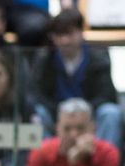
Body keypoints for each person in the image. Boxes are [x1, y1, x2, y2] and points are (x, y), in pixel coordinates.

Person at [35, 8, 122, 149]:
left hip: (90, 117)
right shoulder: (45, 59)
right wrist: (62, 115)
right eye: (59, 35)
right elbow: (38, 95)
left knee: (110, 113)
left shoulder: (98, 57)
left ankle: (105, 158)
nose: (65, 40)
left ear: (81, 32)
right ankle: (47, 158)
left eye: (69, 33)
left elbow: (107, 95)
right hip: (58, 118)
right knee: (38, 113)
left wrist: (82, 114)